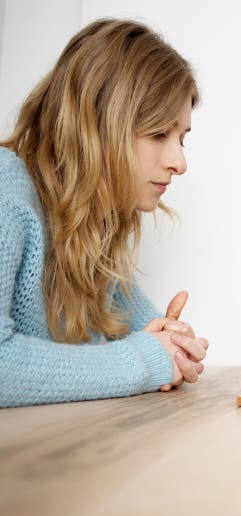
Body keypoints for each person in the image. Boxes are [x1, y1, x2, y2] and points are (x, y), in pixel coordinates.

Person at [0, 19, 208, 407]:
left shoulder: (94, 231)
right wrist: (146, 361)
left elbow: (150, 342)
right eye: (159, 133)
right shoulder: (4, 193)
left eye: (181, 138)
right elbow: (140, 358)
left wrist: (175, 347)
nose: (179, 162)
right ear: (97, 126)